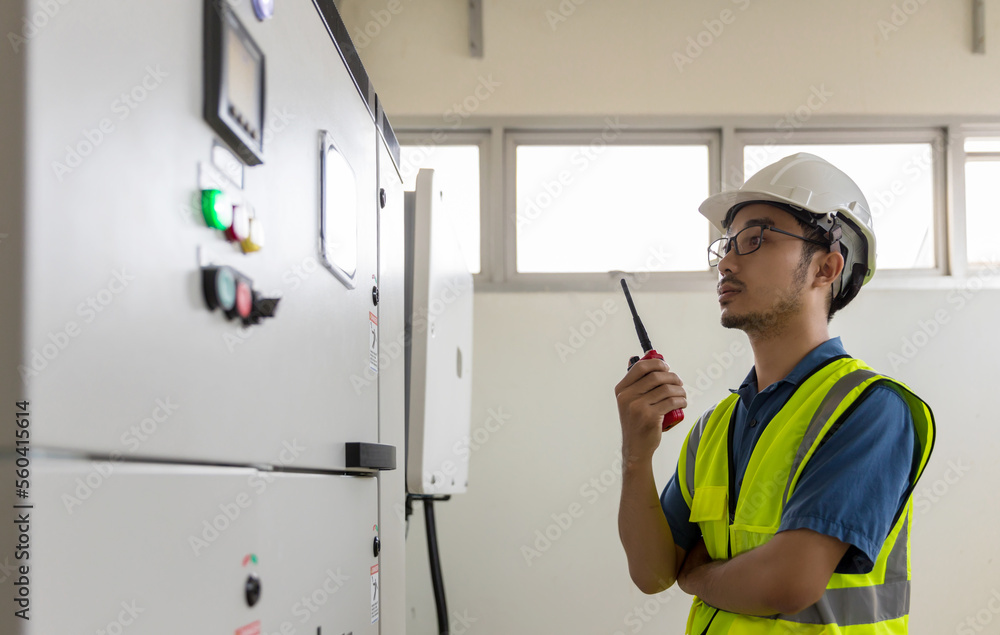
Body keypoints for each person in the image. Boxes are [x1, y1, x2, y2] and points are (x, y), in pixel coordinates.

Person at [615, 153, 936, 634]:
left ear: (826, 267)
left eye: (755, 239)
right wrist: (636, 456)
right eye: (726, 246)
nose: (726, 262)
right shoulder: (715, 427)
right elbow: (653, 574)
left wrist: (697, 576)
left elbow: (789, 582)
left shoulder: (870, 410)